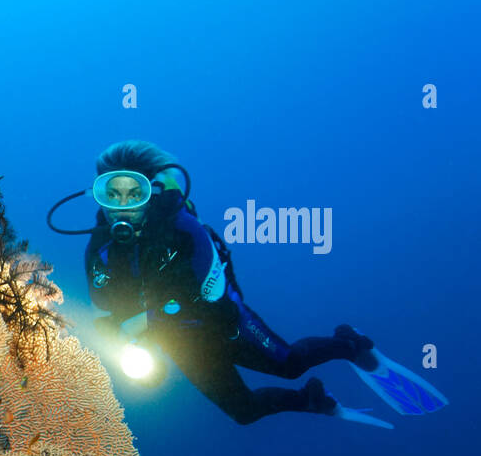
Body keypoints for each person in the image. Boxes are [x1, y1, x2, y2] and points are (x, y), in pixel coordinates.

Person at [49, 140, 381, 425]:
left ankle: (349, 343)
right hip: (184, 345)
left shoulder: (181, 227)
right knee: (244, 412)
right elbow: (106, 313)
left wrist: (144, 322)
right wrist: (128, 342)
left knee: (290, 364)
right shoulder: (99, 249)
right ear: (99, 196)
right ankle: (311, 400)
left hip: (228, 325)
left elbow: (213, 300)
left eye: (134, 194)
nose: (123, 206)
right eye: (113, 195)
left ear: (149, 194)